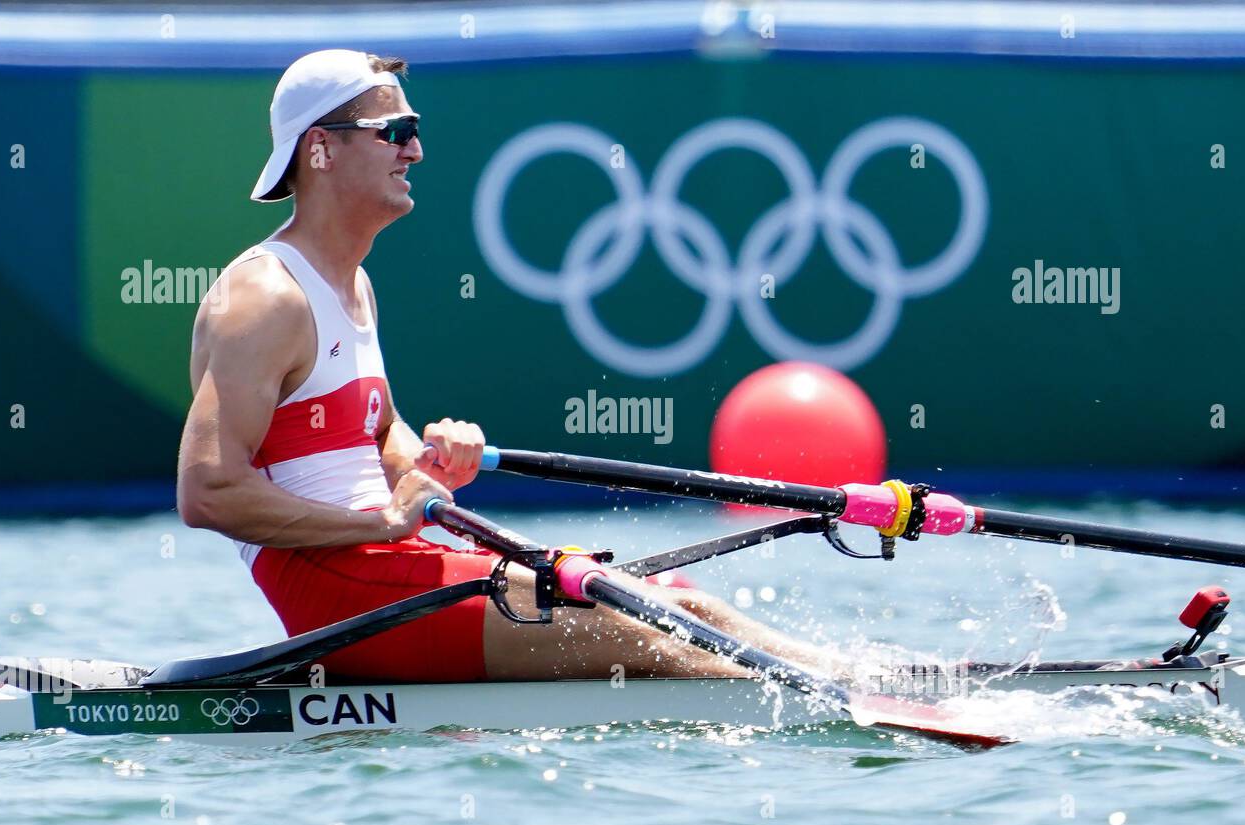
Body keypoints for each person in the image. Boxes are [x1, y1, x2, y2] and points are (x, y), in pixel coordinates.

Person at [178, 49, 845, 684]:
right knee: (640, 630)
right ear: (319, 148)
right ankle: (835, 704)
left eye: (413, 130)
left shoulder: (351, 284)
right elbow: (207, 490)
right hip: (338, 591)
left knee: (670, 599)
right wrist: (382, 523)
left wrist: (434, 461)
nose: (416, 150)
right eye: (395, 131)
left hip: (386, 563)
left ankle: (868, 674)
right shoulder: (264, 297)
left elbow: (377, 439)